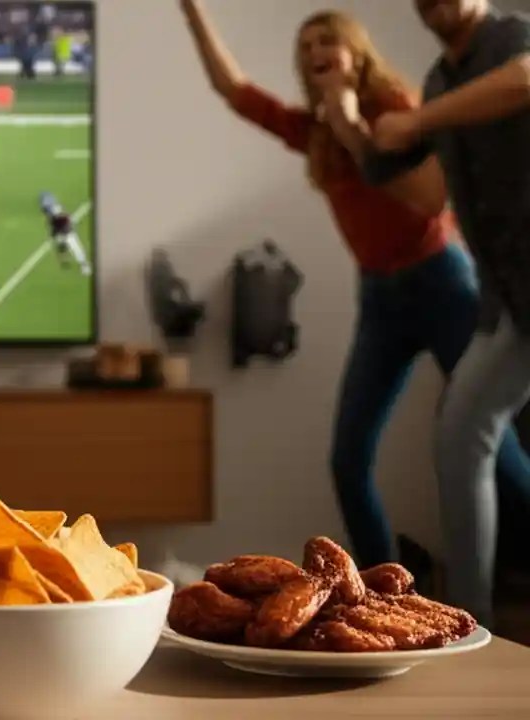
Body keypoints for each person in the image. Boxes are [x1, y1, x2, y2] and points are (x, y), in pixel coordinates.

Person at [180, 0, 530, 589]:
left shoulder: (398, 106)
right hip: (381, 300)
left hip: (441, 281)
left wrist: (354, 124)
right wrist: (192, 12)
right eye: (307, 48)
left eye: (328, 43)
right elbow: (233, 88)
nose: (316, 54)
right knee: (349, 460)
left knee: (488, 448)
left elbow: (427, 199)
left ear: (356, 53)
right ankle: (377, 591)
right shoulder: (313, 131)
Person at [368, 0, 530, 627]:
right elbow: (425, 189)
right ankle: (469, 620)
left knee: (464, 435)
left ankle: (467, 619)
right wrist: (354, 124)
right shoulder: (439, 79)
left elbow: (523, 78)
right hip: (508, 299)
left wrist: (417, 122)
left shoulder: (513, 36)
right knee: (461, 435)